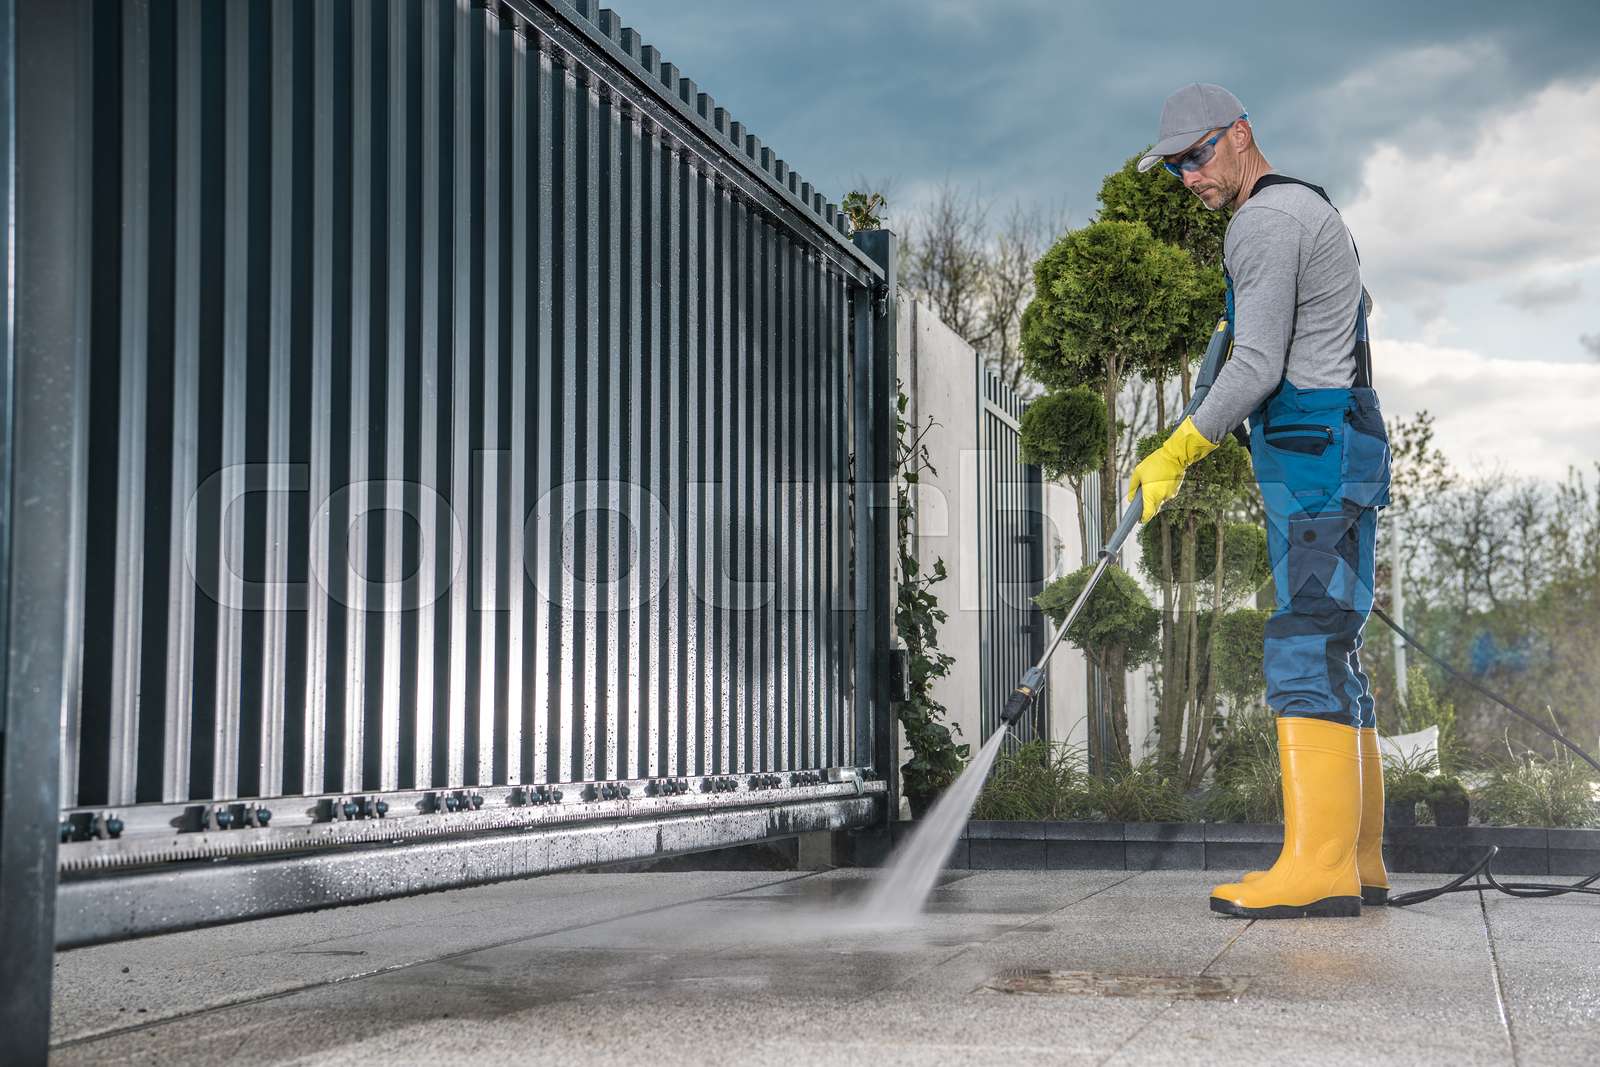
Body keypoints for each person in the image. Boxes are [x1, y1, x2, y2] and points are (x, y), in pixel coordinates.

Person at [1126, 83, 1393, 919]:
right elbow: (1342, 320)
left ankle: (1318, 866)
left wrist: (1178, 445)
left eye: (1198, 155)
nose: (1189, 177)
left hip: (1317, 459)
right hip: (1334, 450)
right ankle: (1358, 858)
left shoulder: (1265, 221)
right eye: (1174, 166)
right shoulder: (1310, 210)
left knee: (1304, 644)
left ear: (1240, 134)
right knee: (1333, 645)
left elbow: (1257, 367)